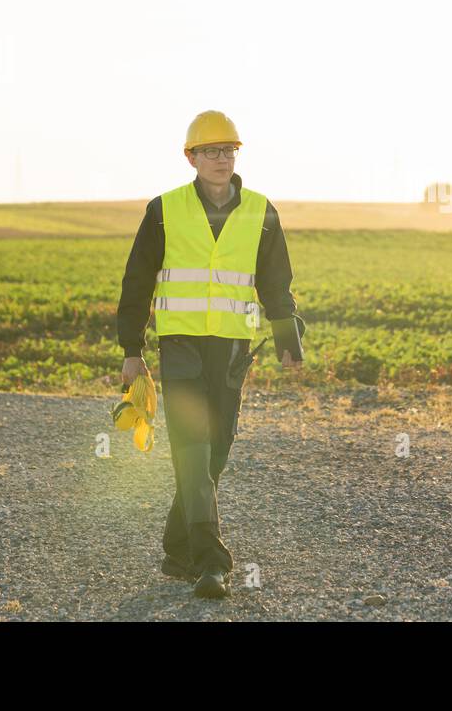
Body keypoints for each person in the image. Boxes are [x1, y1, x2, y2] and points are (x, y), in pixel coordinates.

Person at [117, 110, 304, 599]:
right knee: (192, 448)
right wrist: (131, 349)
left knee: (216, 451)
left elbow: (276, 280)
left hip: (232, 348)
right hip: (179, 346)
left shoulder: (262, 210)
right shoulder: (164, 209)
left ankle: (177, 544)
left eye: (228, 151)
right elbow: (137, 281)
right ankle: (210, 562)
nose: (221, 159)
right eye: (210, 151)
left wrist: (288, 336)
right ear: (191, 158)